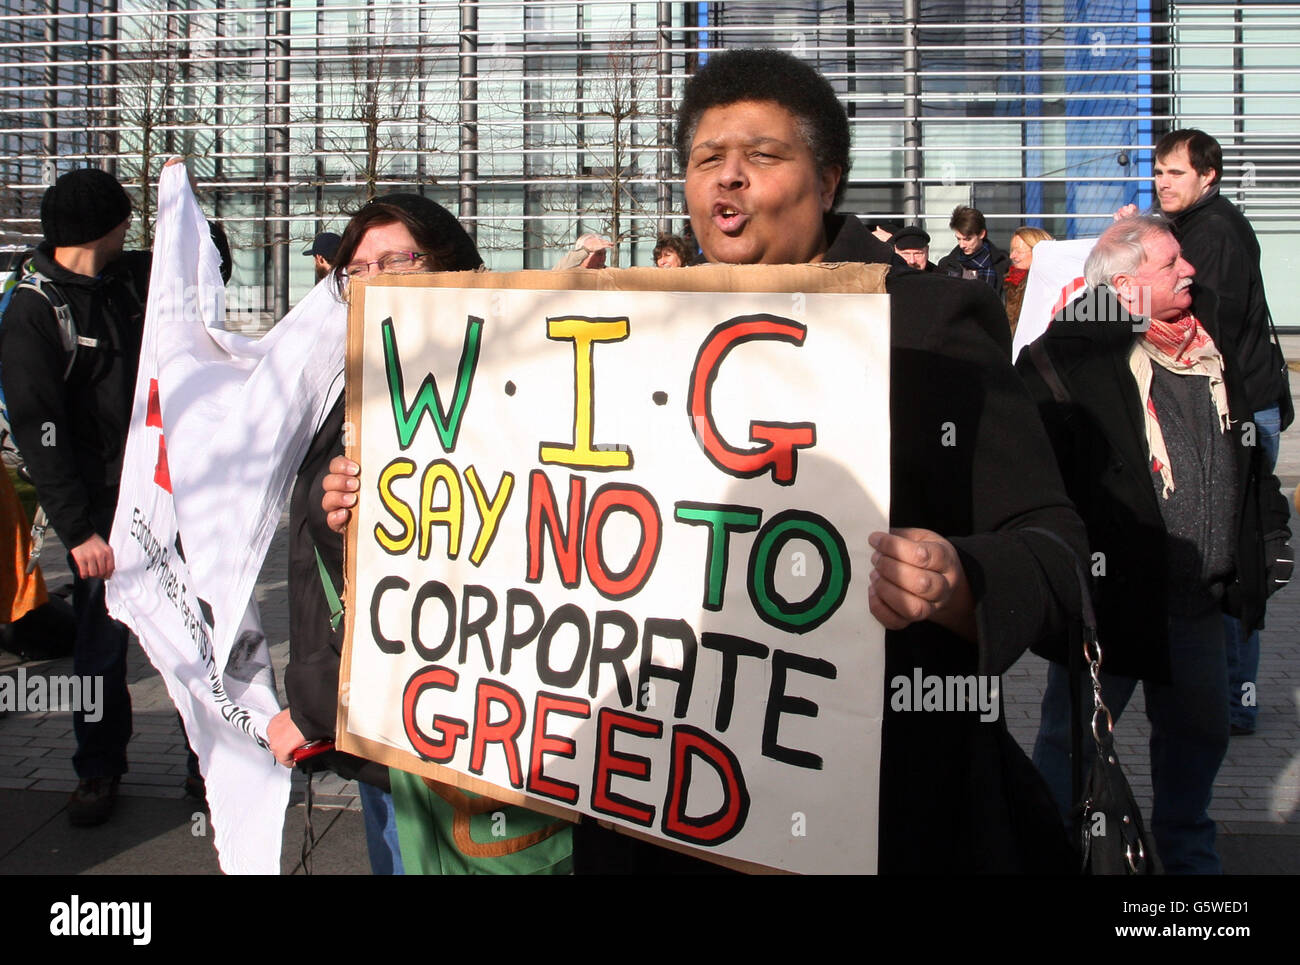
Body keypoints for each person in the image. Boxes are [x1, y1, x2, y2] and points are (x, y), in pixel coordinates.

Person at [325, 48, 1085, 875]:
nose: (728, 180)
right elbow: (527, 511)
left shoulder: (929, 324)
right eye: (705, 160)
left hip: (873, 813)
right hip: (654, 811)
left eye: (760, 157)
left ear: (828, 179)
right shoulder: (621, 329)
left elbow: (1054, 550)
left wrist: (958, 578)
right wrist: (387, 505)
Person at [271, 193, 572, 875]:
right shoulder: (351, 385)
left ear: (452, 267)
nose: (370, 277)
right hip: (381, 732)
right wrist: (340, 522)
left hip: (477, 737)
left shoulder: (515, 384)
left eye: (394, 260)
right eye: (355, 268)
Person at [1018, 215, 1292, 874]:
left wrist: (1270, 534)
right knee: (1073, 747)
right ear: (1127, 284)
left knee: (1200, 741)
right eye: (1171, 264)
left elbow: (1248, 460)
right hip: (1112, 603)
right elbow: (1039, 481)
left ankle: (1192, 871)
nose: (1189, 271)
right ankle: (1048, 857)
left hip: (1199, 599)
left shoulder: (1206, 345)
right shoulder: (1070, 358)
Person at [0, 168, 152, 826]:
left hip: (160, 496)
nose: (132, 227)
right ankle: (98, 768)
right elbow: (40, 431)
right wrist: (79, 532)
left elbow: (211, 253)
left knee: (195, 635)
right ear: (103, 226)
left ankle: (210, 766)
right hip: (98, 512)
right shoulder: (35, 308)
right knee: (99, 646)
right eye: (126, 217)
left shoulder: (128, 279)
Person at [1140, 129, 1287, 737]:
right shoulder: (1192, 228)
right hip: (1237, 408)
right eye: (1158, 171)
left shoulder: (1215, 232)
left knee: (1227, 556)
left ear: (1209, 176)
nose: (1163, 182)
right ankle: (1226, 696)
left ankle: (1231, 699)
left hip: (1240, 412)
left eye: (1175, 172)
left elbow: (1210, 326)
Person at [937, 205, 1010, 295]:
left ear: (982, 234)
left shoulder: (1003, 264)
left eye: (967, 239)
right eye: (958, 239)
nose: (962, 245)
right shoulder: (947, 265)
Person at [1004, 226, 1053, 337]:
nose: (1012, 256)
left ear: (1038, 252)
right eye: (1012, 250)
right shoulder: (1007, 283)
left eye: (1019, 251)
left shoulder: (1050, 287)